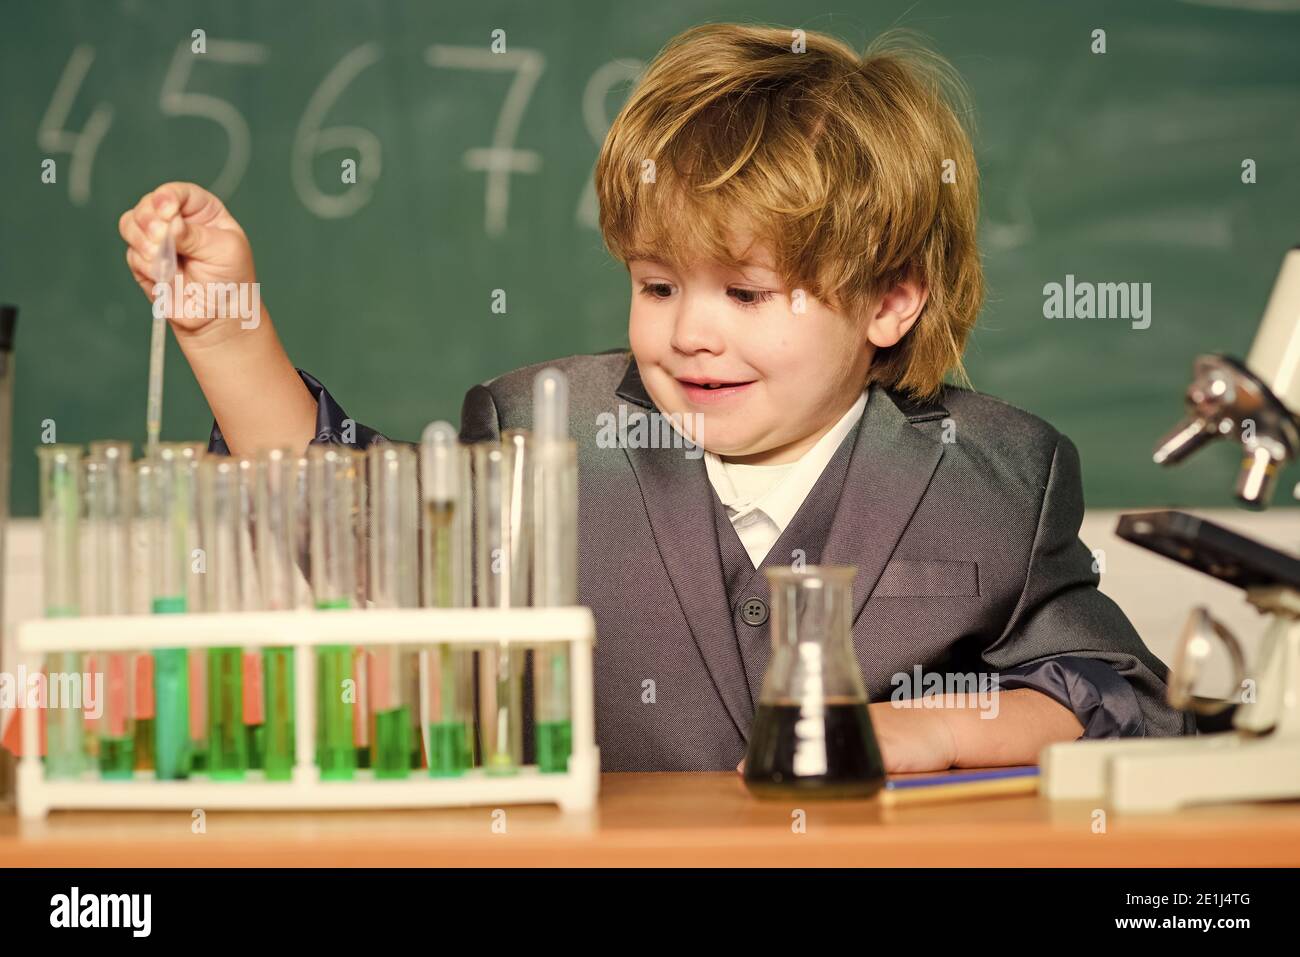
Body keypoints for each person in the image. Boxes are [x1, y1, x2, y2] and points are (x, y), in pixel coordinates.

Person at [117, 23, 1194, 773]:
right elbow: (344, 522)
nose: (690, 331)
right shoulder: (545, 428)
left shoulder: (999, 472)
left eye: (746, 291)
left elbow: (1118, 698)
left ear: (890, 302)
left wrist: (930, 732)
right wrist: (226, 330)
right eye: (656, 284)